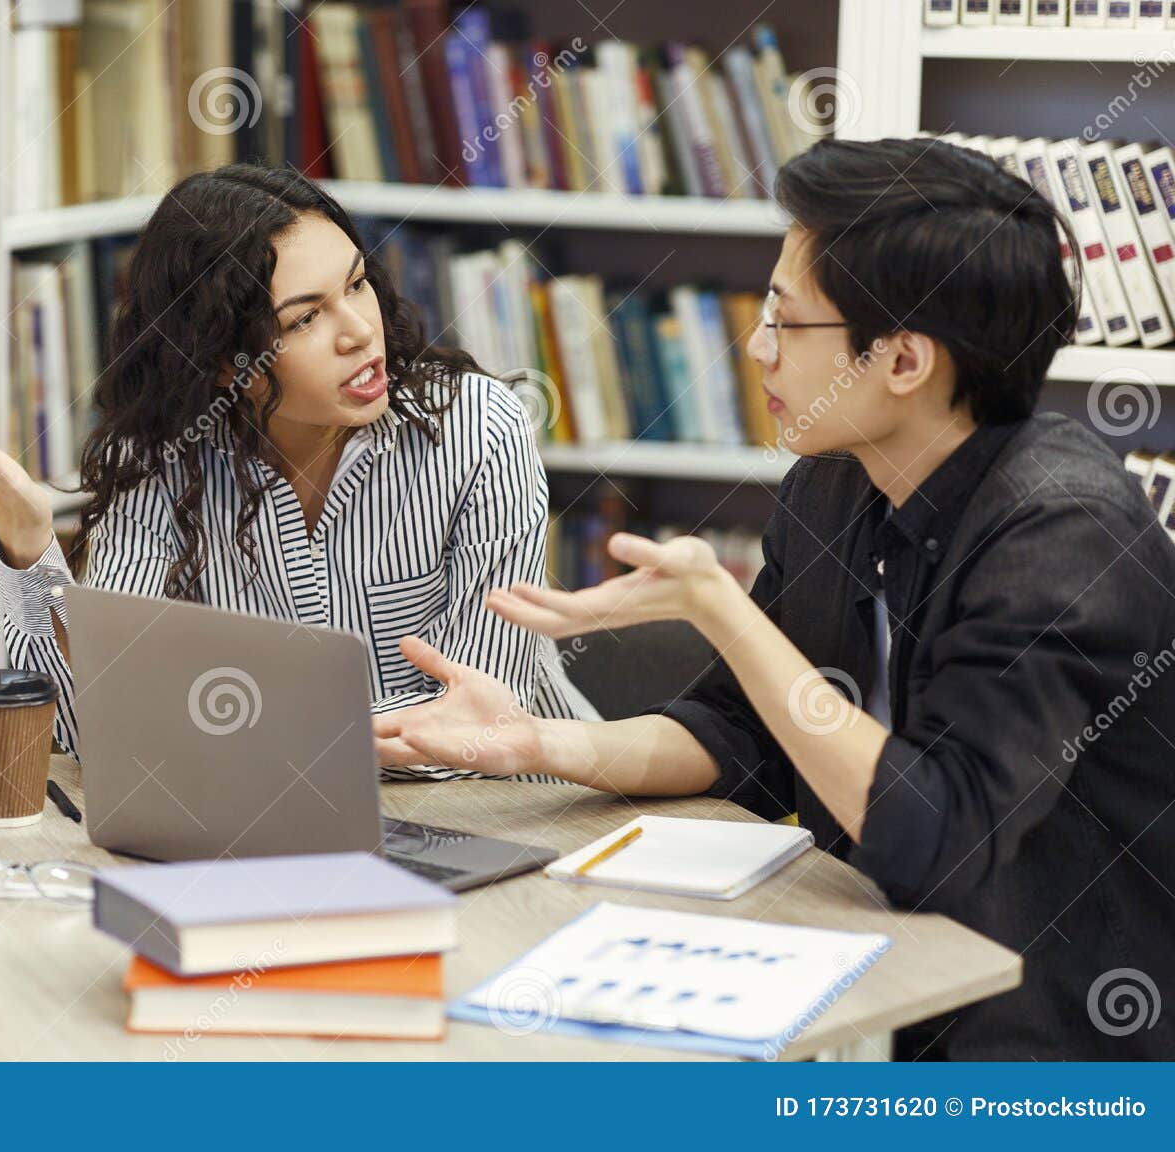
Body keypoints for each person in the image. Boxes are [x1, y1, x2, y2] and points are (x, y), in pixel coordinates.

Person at [374, 138, 1175, 1059]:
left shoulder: (1062, 530)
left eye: (785, 324)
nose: (755, 349)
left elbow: (938, 832)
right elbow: (742, 739)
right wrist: (539, 744)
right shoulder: (834, 487)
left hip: (1070, 1034)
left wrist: (722, 608)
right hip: (889, 980)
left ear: (904, 360)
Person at [0, 163, 596, 781]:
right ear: (225, 360)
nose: (358, 329)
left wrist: (221, 737)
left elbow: (477, 730)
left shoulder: (479, 431)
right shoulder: (164, 463)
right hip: (283, 835)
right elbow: (94, 732)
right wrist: (30, 547)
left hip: (514, 825)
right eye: (304, 320)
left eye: (358, 284)